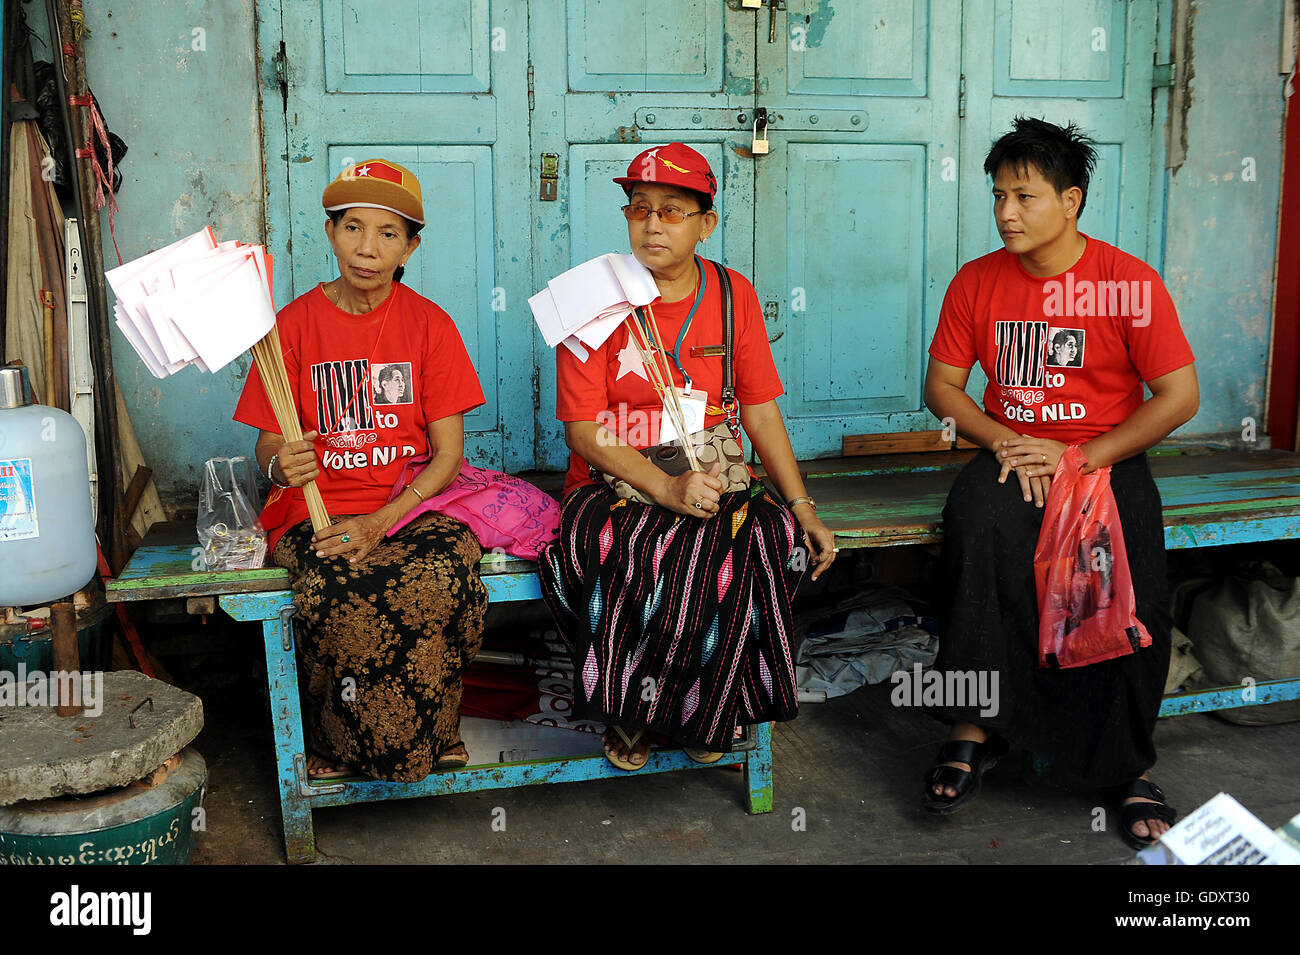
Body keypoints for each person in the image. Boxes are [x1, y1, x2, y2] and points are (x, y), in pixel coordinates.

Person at [922, 117, 1199, 849]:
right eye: (998, 195)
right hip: (1013, 451)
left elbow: (1178, 396)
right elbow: (943, 389)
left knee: (1128, 567)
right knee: (976, 533)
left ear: (1071, 200)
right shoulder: (976, 281)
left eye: (1025, 195)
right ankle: (971, 724)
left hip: (1103, 453)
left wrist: (1082, 458)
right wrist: (1007, 440)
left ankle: (1127, 762)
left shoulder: (1126, 282)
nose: (1005, 212)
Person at [538, 143, 838, 770]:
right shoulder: (590, 297)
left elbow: (758, 409)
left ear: (706, 222)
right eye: (640, 208)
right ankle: (636, 708)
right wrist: (667, 490)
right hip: (614, 480)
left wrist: (802, 504)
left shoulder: (732, 295)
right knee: (649, 546)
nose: (652, 224)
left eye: (672, 211)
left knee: (761, 536)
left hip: (716, 470)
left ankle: (711, 706)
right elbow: (586, 434)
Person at [234, 159, 489, 781]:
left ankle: (435, 725)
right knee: (339, 589)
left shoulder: (431, 325)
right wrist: (280, 463)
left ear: (411, 246)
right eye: (352, 227)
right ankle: (335, 735)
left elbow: (448, 456)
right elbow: (267, 451)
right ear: (330, 233)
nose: (367, 248)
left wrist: (381, 520)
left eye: (388, 233)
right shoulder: (288, 328)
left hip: (407, 507)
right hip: (311, 513)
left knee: (438, 575)